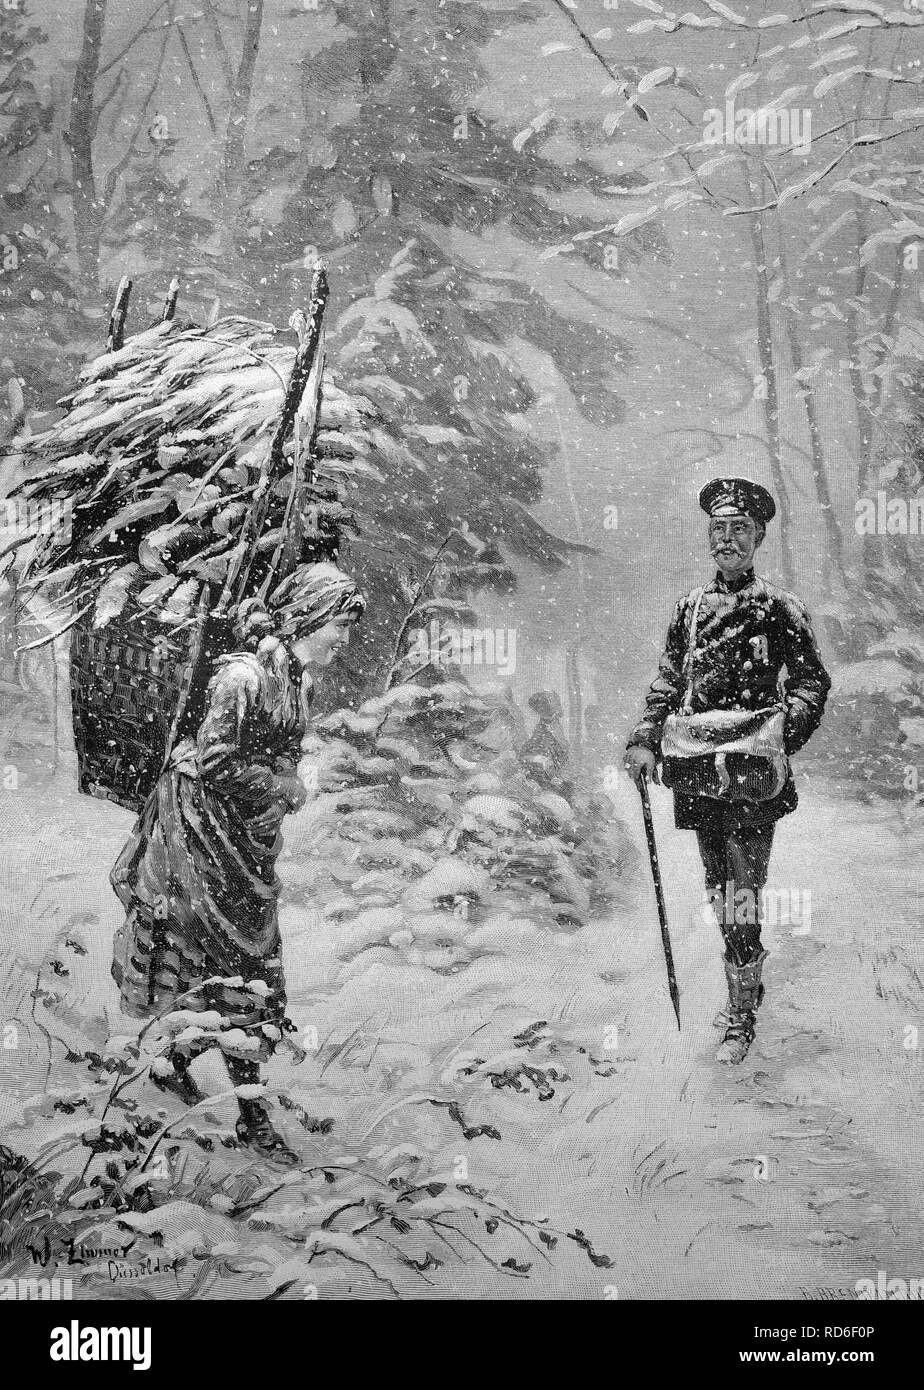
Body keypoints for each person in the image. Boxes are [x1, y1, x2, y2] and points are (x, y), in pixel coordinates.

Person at [110, 561, 365, 1161]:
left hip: (240, 836)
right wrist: (279, 786)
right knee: (227, 958)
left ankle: (179, 1067)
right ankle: (250, 1117)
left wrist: (283, 783)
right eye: (341, 626)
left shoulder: (297, 679)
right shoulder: (243, 678)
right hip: (197, 830)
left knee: (242, 960)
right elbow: (220, 761)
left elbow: (276, 754)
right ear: (312, 616)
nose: (345, 640)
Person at [624, 479, 830, 1064]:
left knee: (742, 885)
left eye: (740, 529)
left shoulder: (781, 609)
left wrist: (780, 735)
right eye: (719, 529)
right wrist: (644, 740)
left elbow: (812, 683)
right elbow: (668, 680)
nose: (728, 539)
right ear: (709, 538)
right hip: (697, 772)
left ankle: (740, 1015)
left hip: (753, 775)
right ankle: (746, 971)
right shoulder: (688, 609)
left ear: (758, 537)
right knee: (721, 887)